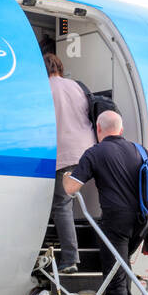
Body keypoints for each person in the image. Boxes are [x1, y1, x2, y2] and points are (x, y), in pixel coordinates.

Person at [64, 111, 145, 295]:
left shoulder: (95, 153)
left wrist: (66, 174)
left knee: (113, 283)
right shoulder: (138, 150)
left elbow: (71, 188)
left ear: (98, 130)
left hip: (116, 223)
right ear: (120, 130)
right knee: (123, 268)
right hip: (142, 221)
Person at [45, 52, 96, 274]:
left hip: (65, 153)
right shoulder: (77, 86)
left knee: (62, 204)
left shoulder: (44, 89)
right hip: (89, 150)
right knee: (70, 200)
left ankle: (70, 259)